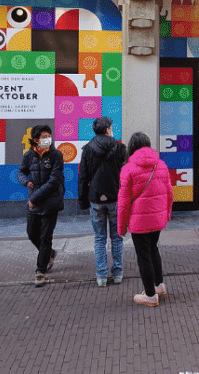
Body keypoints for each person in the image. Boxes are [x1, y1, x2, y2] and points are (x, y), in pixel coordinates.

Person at [117, 132, 173, 307]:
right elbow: (169, 194)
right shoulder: (161, 164)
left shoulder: (128, 169)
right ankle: (159, 285)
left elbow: (123, 202)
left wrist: (121, 227)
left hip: (138, 221)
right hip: (157, 218)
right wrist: (167, 214)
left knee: (143, 256)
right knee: (153, 249)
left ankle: (150, 295)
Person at [79, 116, 127, 287]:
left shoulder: (88, 149)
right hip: (115, 197)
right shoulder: (120, 148)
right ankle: (118, 273)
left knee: (99, 238)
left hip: (95, 198)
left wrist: (83, 200)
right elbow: (126, 174)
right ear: (108, 130)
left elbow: (83, 177)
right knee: (117, 237)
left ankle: (101, 276)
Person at [18, 124, 65, 287]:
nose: (48, 139)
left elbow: (54, 181)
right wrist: (26, 181)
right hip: (34, 201)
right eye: (44, 137)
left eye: (49, 136)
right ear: (36, 140)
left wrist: (34, 199)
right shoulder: (28, 155)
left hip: (51, 201)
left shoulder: (56, 155)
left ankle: (41, 271)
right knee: (32, 233)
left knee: (46, 237)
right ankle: (49, 254)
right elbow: (21, 172)